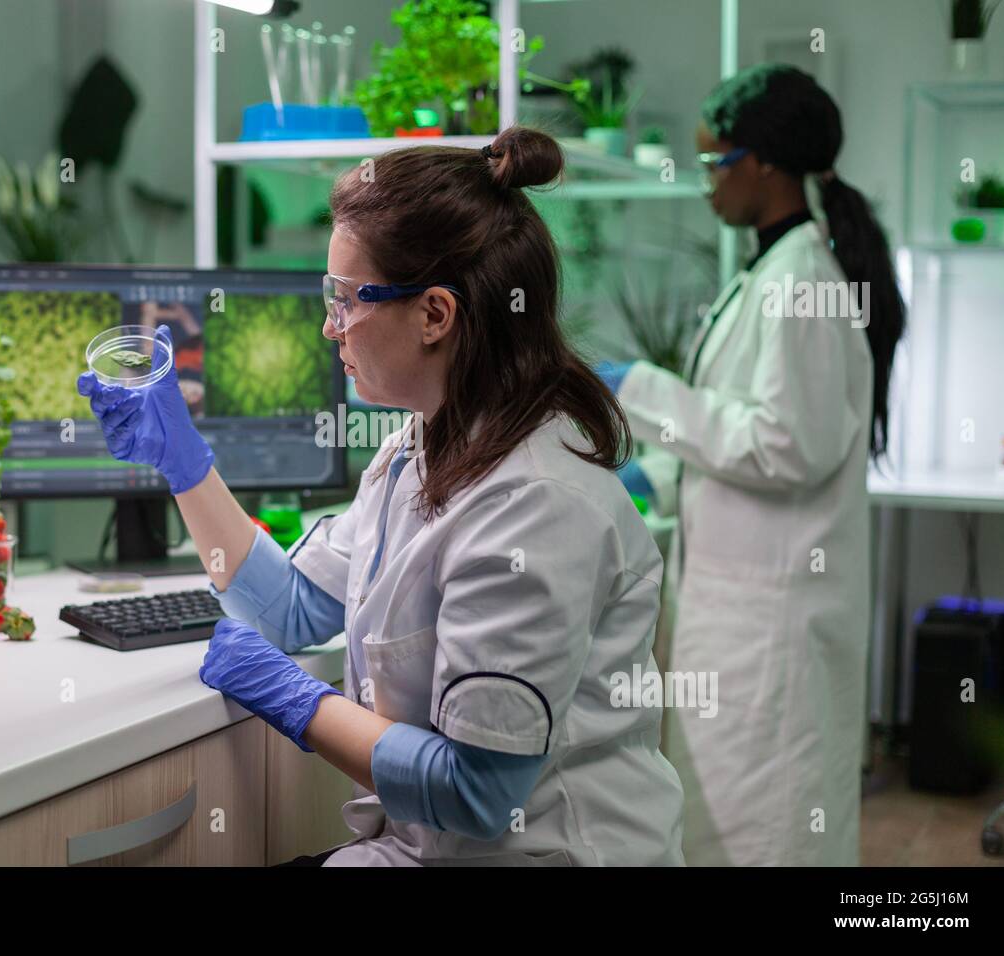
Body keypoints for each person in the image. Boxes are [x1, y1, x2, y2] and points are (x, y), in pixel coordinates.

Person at [78, 126, 685, 866]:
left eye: (345, 298)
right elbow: (291, 607)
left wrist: (299, 701)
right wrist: (183, 462)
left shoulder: (535, 504)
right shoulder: (423, 442)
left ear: (435, 314)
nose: (331, 326)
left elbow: (475, 791)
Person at [599, 65, 905, 866]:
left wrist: (642, 389)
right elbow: (735, 434)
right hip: (745, 612)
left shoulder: (802, 283)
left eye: (714, 163)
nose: (706, 185)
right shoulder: (769, 275)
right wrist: (652, 475)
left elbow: (787, 445)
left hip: (770, 625)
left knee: (763, 831)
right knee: (727, 822)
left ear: (763, 164)